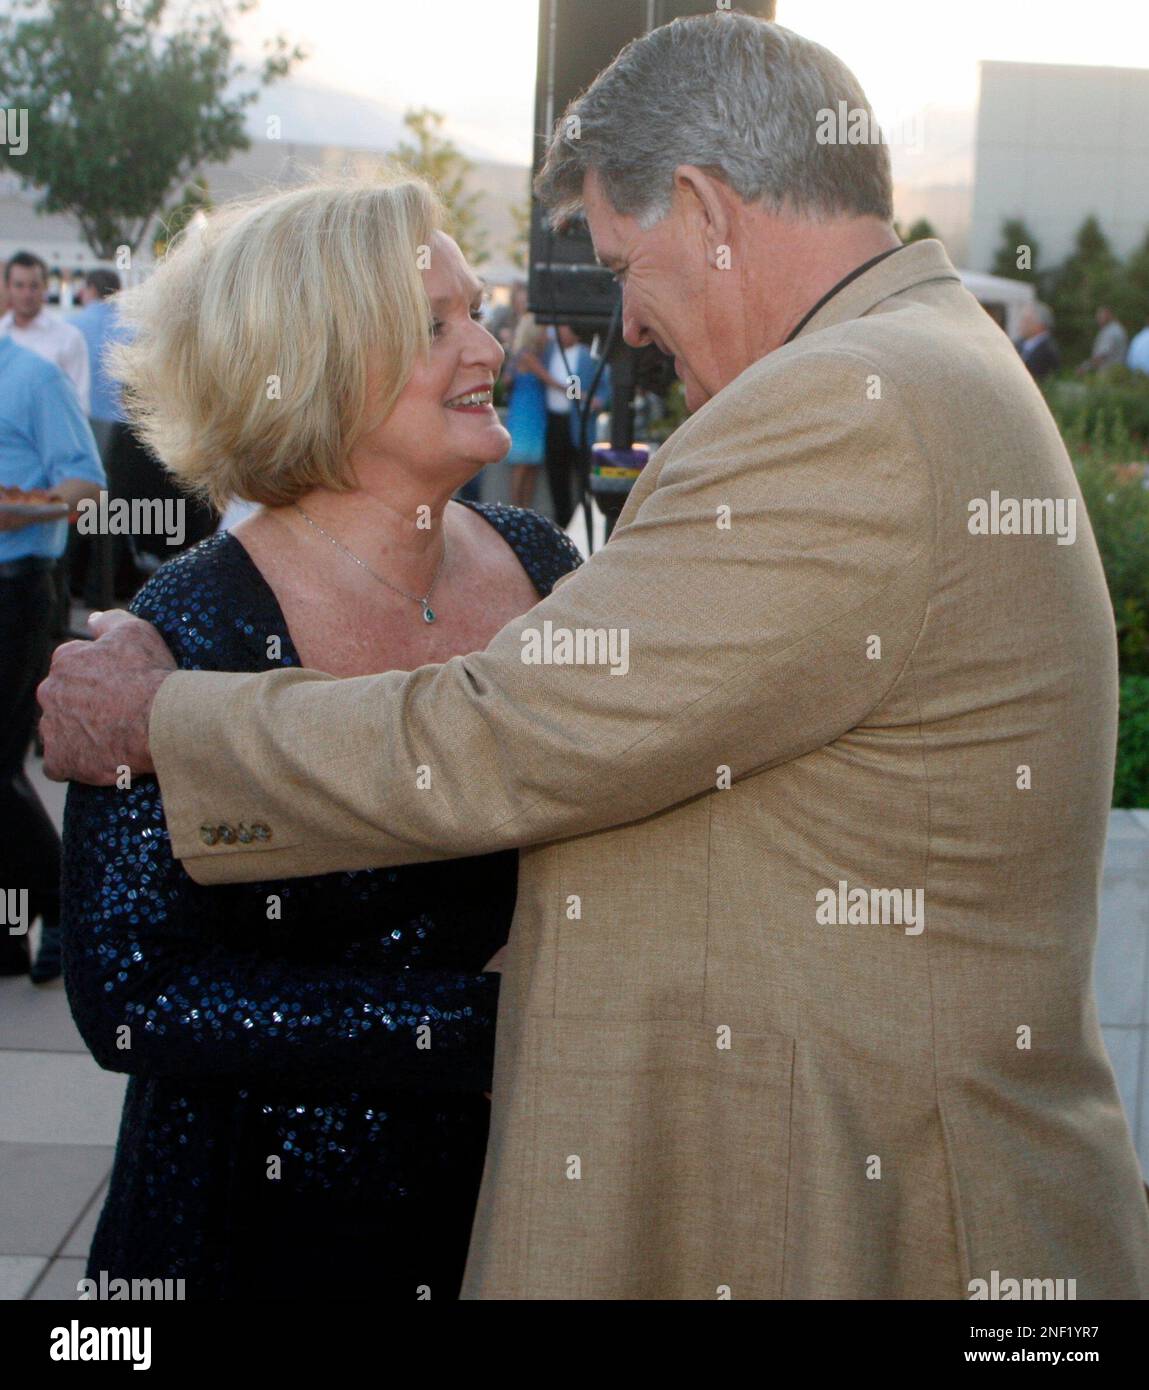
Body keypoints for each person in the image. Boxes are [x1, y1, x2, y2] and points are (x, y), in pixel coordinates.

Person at [38, 13, 1149, 1301]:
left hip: (884, 1206)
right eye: (431, 317)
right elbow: (135, 985)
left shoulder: (837, 412)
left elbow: (514, 736)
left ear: (703, 206)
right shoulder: (908, 371)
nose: (620, 324)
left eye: (623, 262)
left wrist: (167, 724)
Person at [55, 178, 582, 1299]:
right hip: (258, 1225)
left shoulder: (545, 565)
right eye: (434, 324)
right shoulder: (179, 637)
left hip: (512, 1205)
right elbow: (132, 992)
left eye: (474, 308)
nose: (485, 343)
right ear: (323, 366)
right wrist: (489, 1026)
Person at [0, 339, 104, 980]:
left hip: (17, 585)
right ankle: (9, 939)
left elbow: (87, 481)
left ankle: (64, 899)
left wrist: (20, 510)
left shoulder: (33, 378)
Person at [1, 252, 91, 412]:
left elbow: (79, 403)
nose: (26, 294)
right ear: (8, 287)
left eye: (34, 286)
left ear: (45, 286)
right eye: (19, 285)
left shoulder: (68, 338)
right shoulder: (2, 334)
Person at [502, 312, 549, 507]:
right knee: (522, 466)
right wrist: (575, 392)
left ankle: (524, 509)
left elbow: (506, 381)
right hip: (526, 413)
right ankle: (516, 508)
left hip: (532, 411)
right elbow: (547, 379)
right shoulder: (527, 356)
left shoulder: (527, 355)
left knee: (530, 466)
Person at [1076, 304, 1129, 375]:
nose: (1097, 318)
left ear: (1109, 315)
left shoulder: (1110, 332)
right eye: (1097, 316)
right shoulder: (1118, 328)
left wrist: (1084, 368)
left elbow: (1101, 356)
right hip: (1118, 372)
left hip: (1108, 374)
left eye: (1100, 316)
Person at [1014, 301, 1060, 381]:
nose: (1021, 325)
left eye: (1026, 321)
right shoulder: (1018, 344)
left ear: (1039, 325)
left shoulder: (1049, 350)